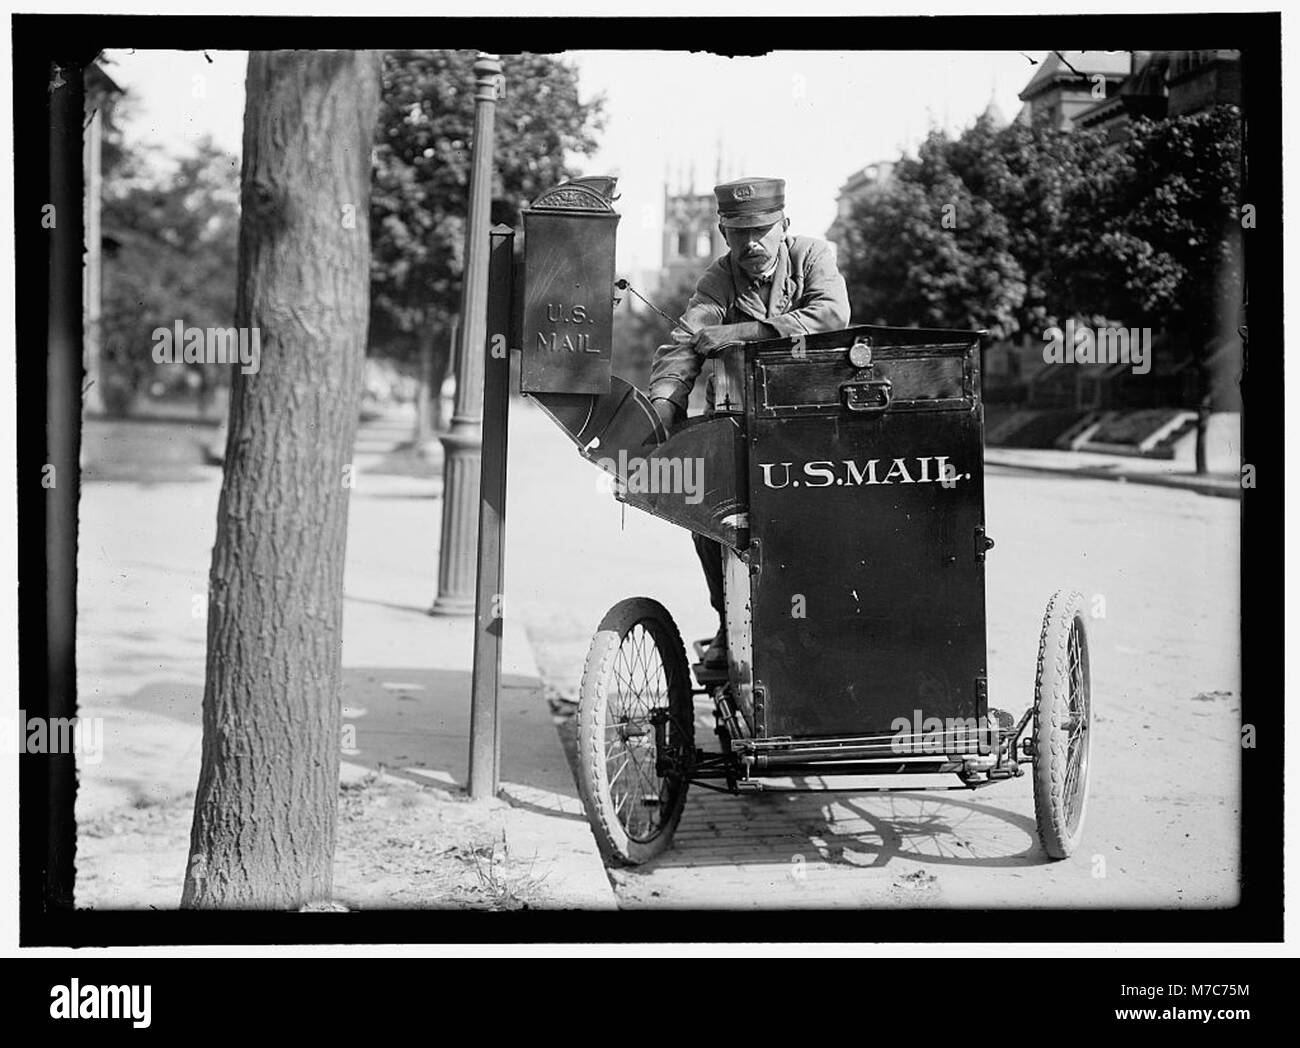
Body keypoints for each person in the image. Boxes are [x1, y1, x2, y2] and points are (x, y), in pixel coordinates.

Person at [647, 176, 851, 668]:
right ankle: (728, 624)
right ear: (723, 234)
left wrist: (746, 333)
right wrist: (662, 407)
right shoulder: (718, 279)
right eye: (739, 234)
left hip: (812, 425)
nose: (752, 243)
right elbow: (684, 344)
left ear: (784, 225)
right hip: (740, 422)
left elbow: (830, 316)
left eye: (762, 229)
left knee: (822, 524)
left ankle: (832, 626)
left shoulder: (813, 256)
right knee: (709, 523)